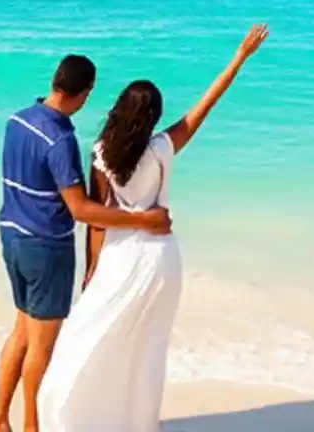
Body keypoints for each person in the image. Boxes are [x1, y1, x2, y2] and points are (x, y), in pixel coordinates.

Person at [36, 24, 270, 432]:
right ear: (152, 118)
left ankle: (81, 418)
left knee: (91, 339)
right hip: (162, 259)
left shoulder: (100, 154)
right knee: (146, 350)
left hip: (120, 257)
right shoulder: (162, 147)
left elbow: (96, 218)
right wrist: (239, 57)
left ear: (119, 109)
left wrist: (89, 272)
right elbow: (206, 104)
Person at [0, 54, 174, 432]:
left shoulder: (18, 119)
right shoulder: (60, 140)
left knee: (21, 332)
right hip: (45, 247)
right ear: (84, 93)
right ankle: (31, 427)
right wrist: (142, 219)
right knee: (41, 346)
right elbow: (81, 209)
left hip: (11, 235)